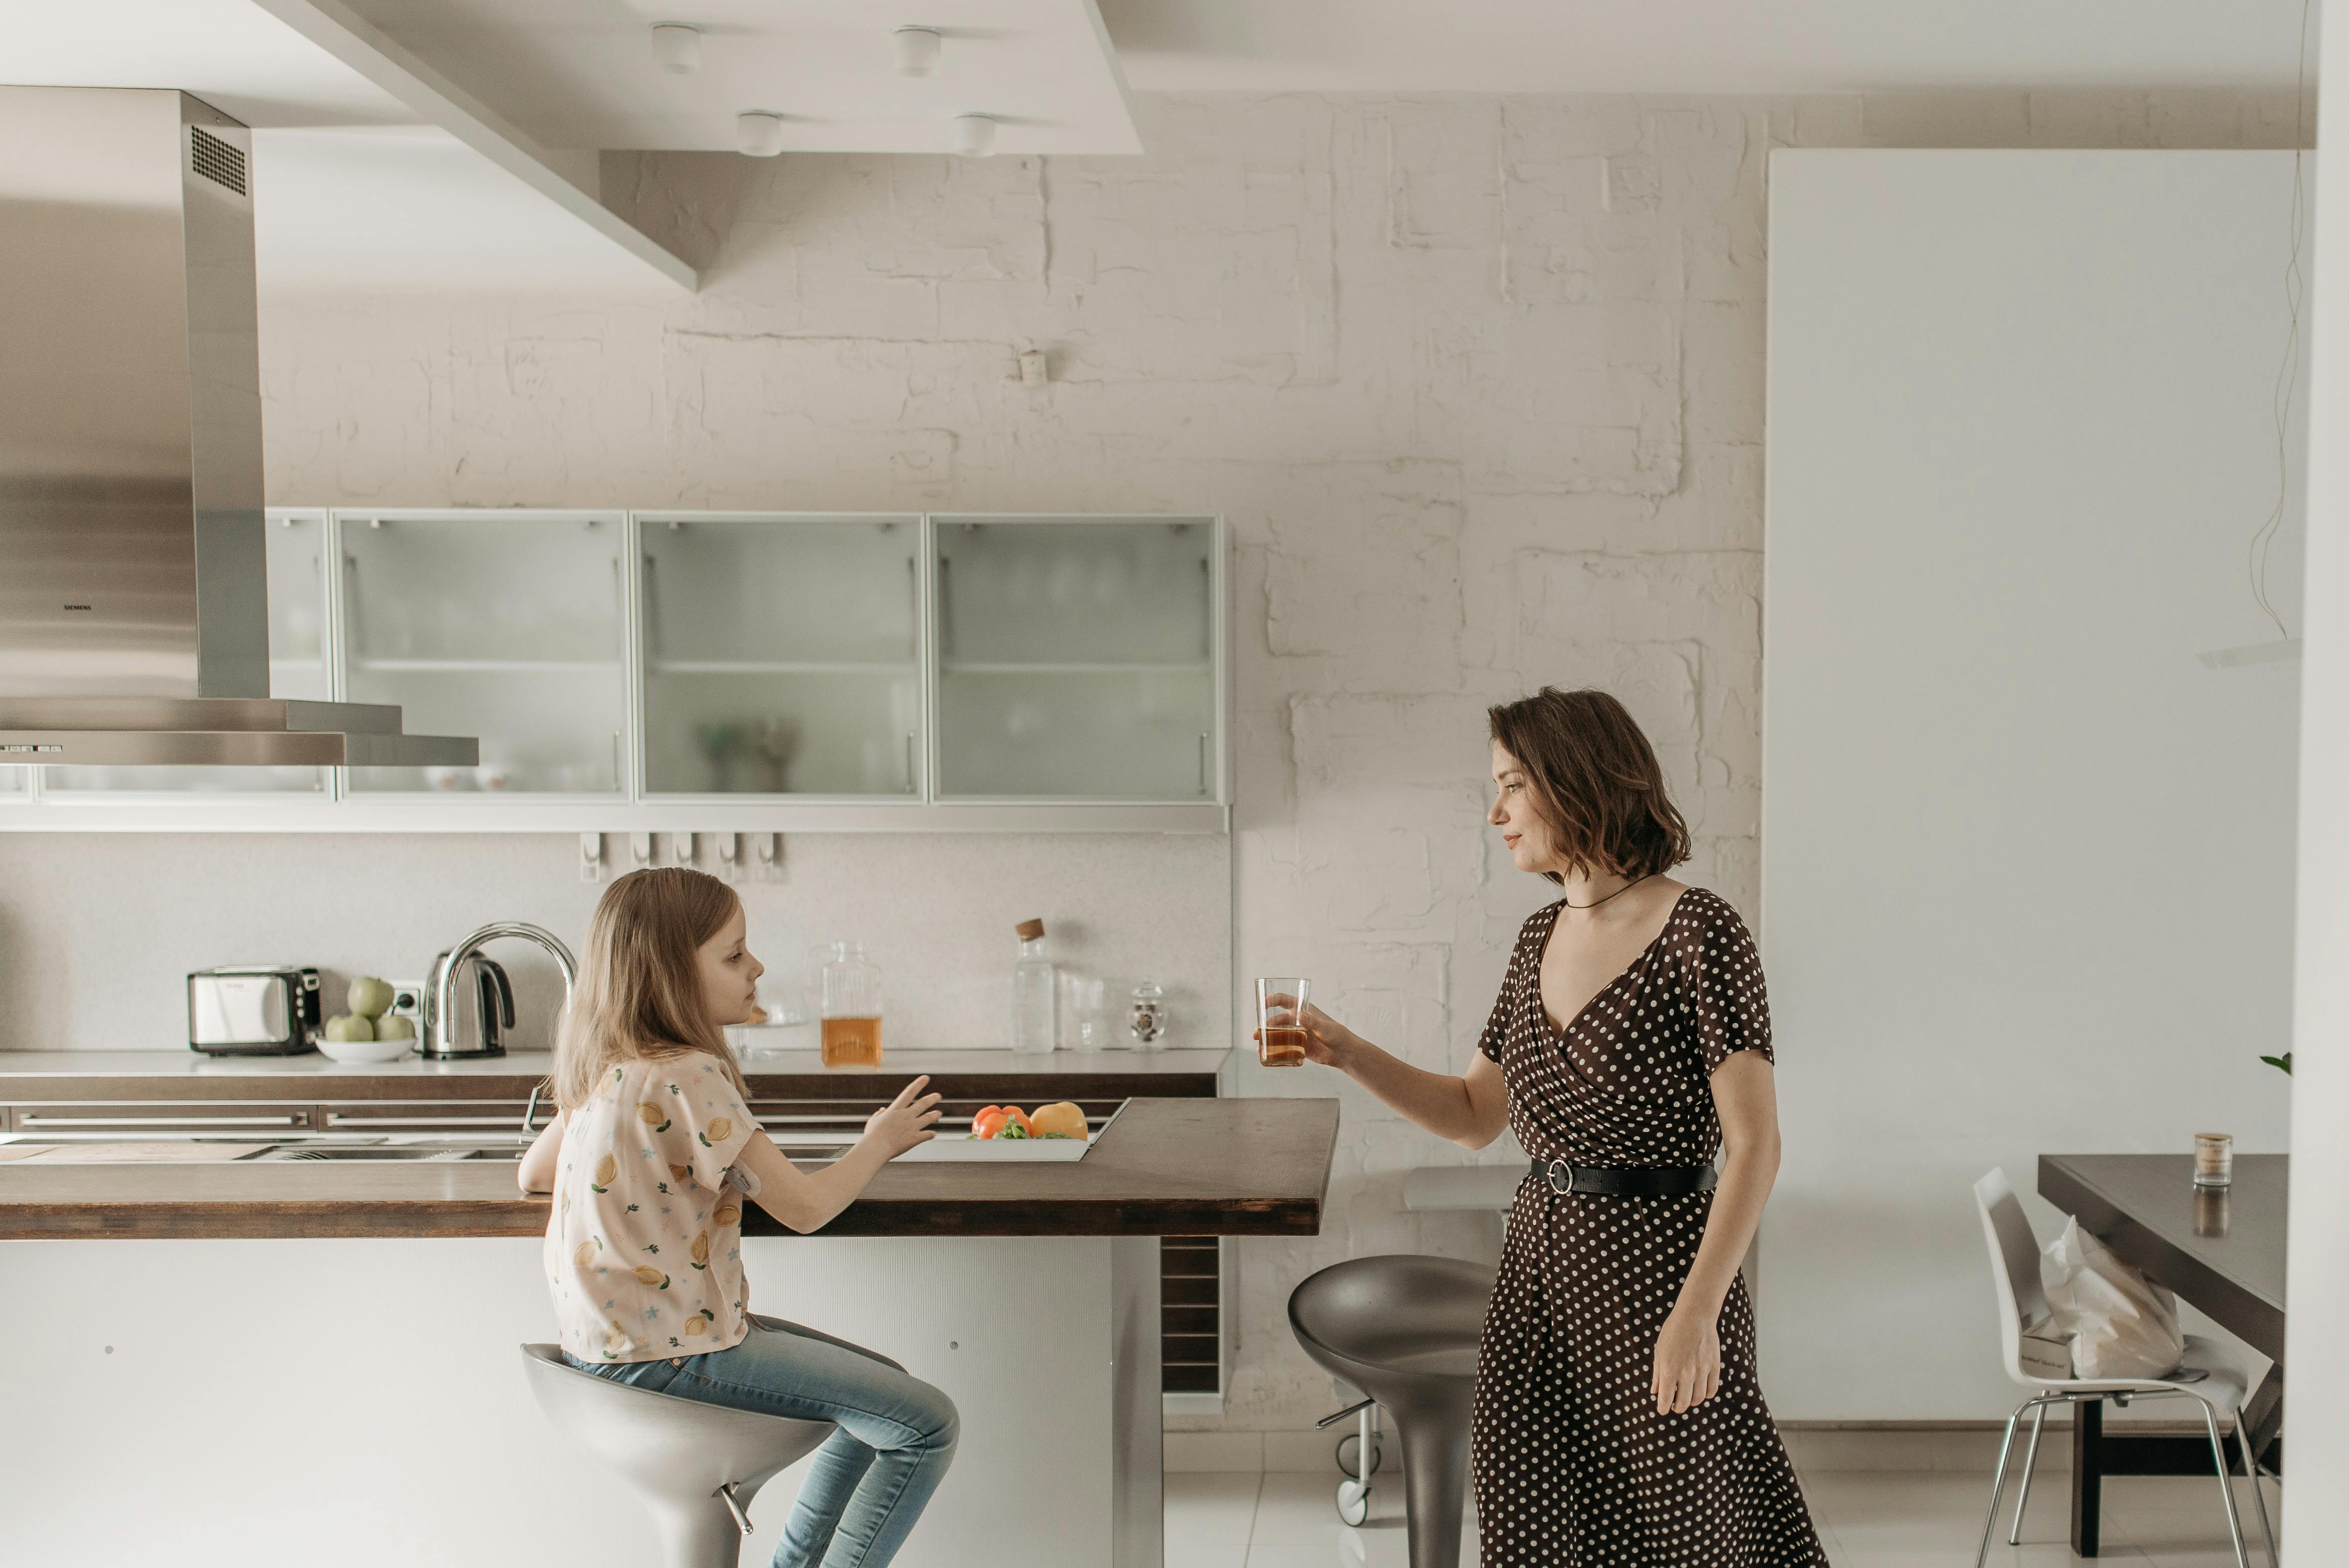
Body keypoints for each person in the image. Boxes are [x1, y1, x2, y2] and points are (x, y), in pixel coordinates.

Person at [1274, 687, 1826, 1566]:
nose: (1495, 813)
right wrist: (1345, 1051)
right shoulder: (1537, 938)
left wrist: (1698, 1313)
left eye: (1513, 784)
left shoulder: (1700, 931)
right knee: (1539, 1531)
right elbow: (1473, 1118)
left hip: (1658, 1283)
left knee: (1690, 1534)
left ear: (1578, 781)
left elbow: (1756, 1145)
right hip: (1538, 1282)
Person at [518, 867, 955, 1568]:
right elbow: (806, 1209)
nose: (757, 968)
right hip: (673, 1357)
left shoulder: (605, 1063)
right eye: (733, 955)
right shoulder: (690, 1074)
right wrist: (880, 1143)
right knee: (925, 1423)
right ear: (668, 974)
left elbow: (532, 1174)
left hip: (610, 1352)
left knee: (885, 1394)